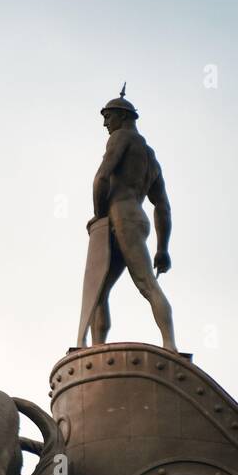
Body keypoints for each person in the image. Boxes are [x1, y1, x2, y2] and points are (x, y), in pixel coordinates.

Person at [76, 87, 178, 352]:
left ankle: (170, 345)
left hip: (119, 216)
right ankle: (99, 347)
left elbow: (101, 177)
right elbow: (163, 206)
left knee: (145, 282)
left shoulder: (121, 138)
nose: (105, 123)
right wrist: (162, 248)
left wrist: (99, 216)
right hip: (138, 218)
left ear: (122, 116)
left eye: (108, 116)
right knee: (100, 291)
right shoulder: (150, 156)